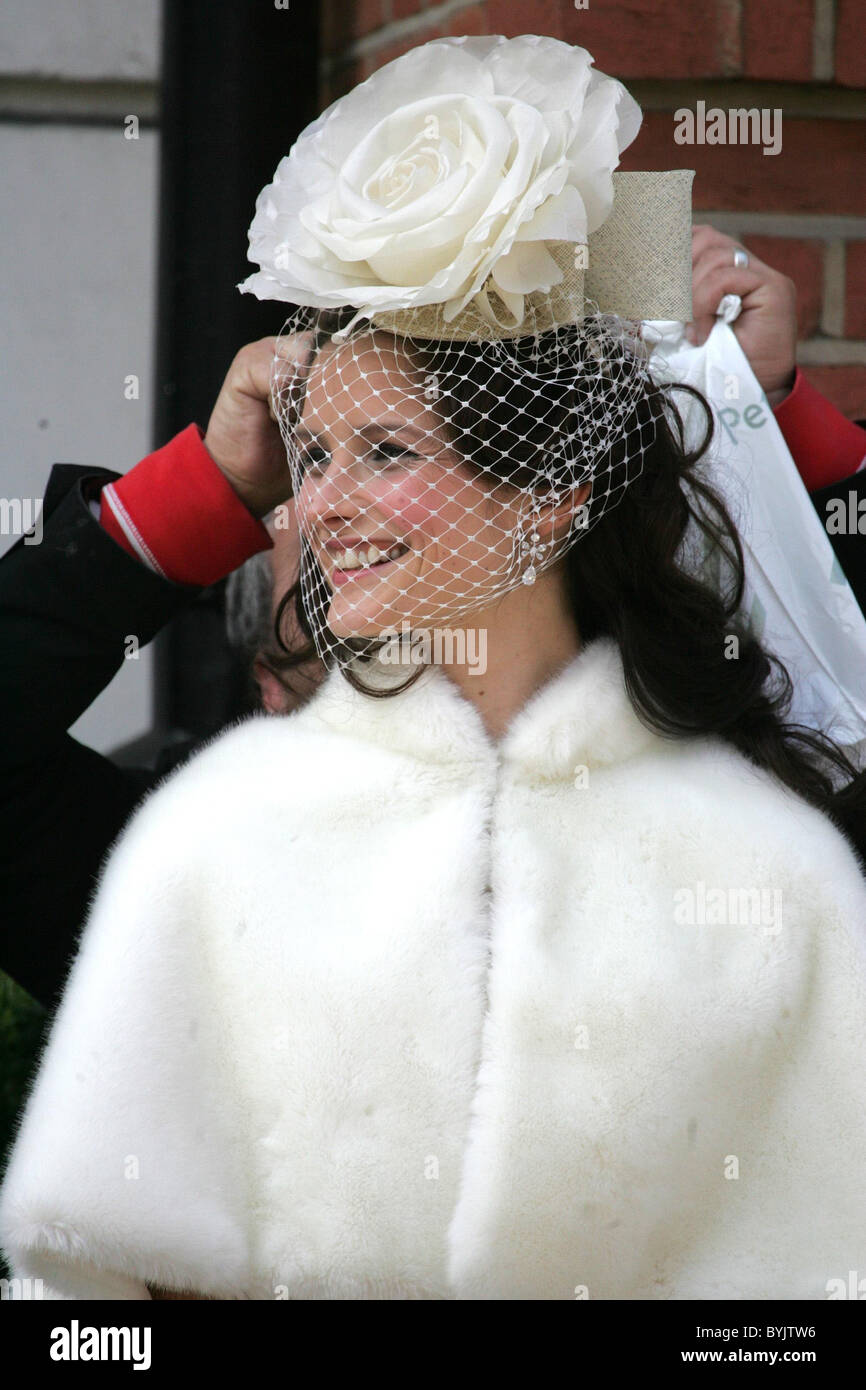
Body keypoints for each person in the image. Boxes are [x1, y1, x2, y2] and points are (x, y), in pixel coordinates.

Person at [2, 34, 866, 1301]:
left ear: (547, 501)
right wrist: (197, 489)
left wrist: (768, 421)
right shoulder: (204, 857)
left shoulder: (764, 871)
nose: (323, 510)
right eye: (307, 461)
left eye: (387, 453)